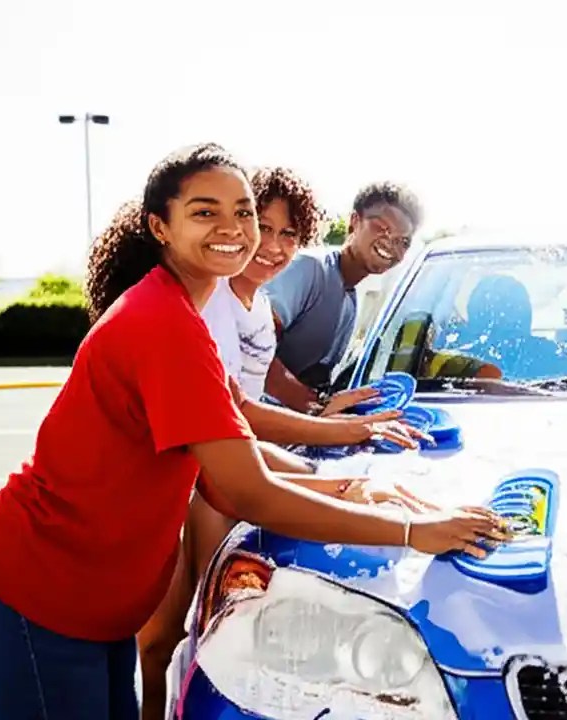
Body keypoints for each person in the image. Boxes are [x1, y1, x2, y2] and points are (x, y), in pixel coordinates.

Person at [0, 143, 506, 719]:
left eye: (242, 212)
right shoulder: (163, 325)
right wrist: (413, 530)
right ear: (160, 226)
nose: (233, 228)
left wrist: (342, 481)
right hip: (27, 593)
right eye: (205, 212)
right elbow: (243, 490)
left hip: (85, 606)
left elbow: (230, 449)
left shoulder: (183, 316)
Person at [135, 166, 427, 719]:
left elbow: (240, 413)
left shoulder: (273, 307)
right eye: (259, 227)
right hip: (190, 475)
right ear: (354, 225)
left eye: (286, 235)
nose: (269, 246)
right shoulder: (216, 301)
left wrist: (330, 439)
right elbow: (239, 416)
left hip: (220, 463)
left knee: (194, 630)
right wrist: (334, 437)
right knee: (169, 636)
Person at [263, 182, 422, 412]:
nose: (391, 243)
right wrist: (315, 408)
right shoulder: (310, 269)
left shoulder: (350, 297)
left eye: (403, 241)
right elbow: (251, 348)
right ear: (355, 222)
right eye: (382, 228)